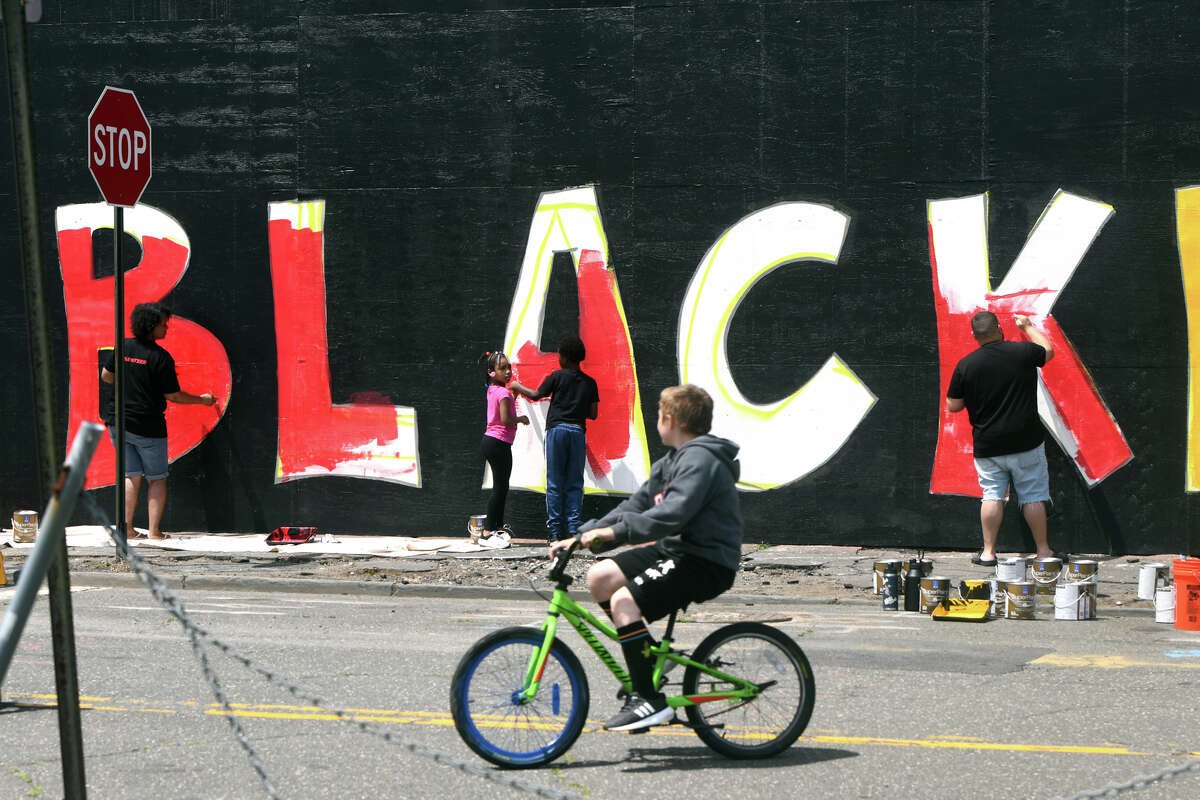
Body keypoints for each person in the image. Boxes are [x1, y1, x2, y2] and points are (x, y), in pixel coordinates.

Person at [549, 384, 742, 732]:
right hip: (677, 550)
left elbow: (673, 514)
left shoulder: (701, 460)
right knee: (600, 578)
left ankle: (647, 699)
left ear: (670, 419)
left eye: (658, 415)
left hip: (706, 560)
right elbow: (633, 507)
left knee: (624, 601)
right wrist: (580, 537)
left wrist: (613, 534)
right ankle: (648, 656)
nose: (657, 421)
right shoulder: (671, 461)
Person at [945, 311, 1057, 566]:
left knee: (992, 495)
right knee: (1033, 495)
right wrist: (1027, 327)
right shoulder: (1022, 352)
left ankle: (988, 553)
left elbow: (953, 405)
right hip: (1026, 440)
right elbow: (1047, 352)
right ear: (999, 328)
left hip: (988, 444)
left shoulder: (966, 365)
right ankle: (1043, 551)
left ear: (974, 336)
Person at [101, 302, 216, 540]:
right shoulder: (160, 357)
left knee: (130, 475)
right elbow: (173, 395)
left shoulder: (123, 346)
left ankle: (127, 529)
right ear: (151, 326)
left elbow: (106, 376)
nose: (166, 329)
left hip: (118, 423)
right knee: (156, 478)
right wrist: (203, 400)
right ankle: (154, 533)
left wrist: (131, 386)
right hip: (148, 428)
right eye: (163, 325)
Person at [510, 334, 599, 542]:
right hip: (577, 432)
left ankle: (555, 533)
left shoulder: (556, 376)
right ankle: (575, 530)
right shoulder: (590, 383)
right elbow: (593, 414)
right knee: (575, 482)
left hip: (557, 431)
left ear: (565, 357)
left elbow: (535, 395)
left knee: (555, 483)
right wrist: (575, 408)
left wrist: (516, 387)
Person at [476, 351, 529, 550]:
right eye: (502, 368)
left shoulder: (492, 389)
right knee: (500, 488)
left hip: (490, 442)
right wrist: (521, 419)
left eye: (509, 367)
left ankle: (496, 528)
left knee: (501, 487)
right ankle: (488, 533)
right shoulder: (503, 392)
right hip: (498, 443)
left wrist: (513, 392)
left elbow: (502, 410)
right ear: (491, 372)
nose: (508, 372)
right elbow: (506, 419)